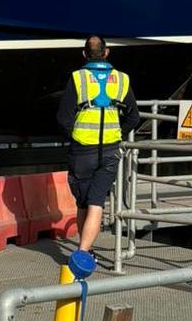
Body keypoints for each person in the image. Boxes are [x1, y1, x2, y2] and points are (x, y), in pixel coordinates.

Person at [56, 36, 140, 257]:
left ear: (84, 54)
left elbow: (63, 118)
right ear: (107, 52)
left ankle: (83, 252)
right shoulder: (122, 79)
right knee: (94, 202)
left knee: (85, 201)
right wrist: (117, 133)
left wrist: (74, 137)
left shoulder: (78, 79)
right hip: (111, 150)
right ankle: (86, 249)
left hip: (83, 150)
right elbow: (134, 117)